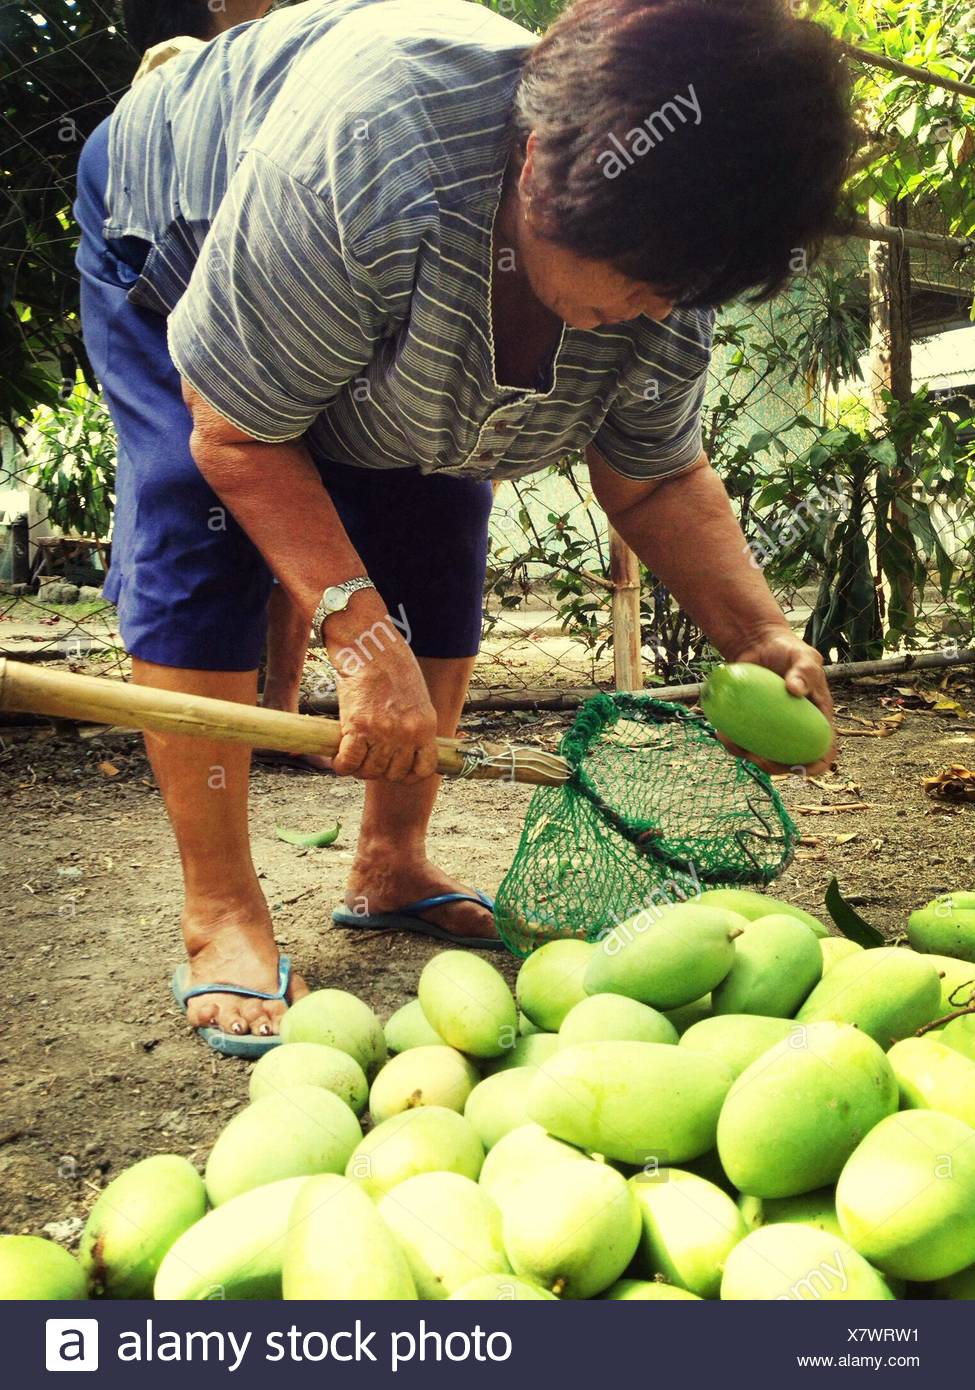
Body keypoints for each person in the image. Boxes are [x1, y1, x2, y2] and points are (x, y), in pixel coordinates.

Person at [75, 0, 853, 1053]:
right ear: (534, 167)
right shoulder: (365, 161)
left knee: (441, 506)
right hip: (180, 229)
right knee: (202, 522)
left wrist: (757, 632)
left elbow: (656, 476)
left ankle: (391, 865)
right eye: (638, 281)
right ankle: (220, 910)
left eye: (683, 291)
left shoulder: (672, 252)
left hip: (382, 277)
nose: (659, 311)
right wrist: (353, 628)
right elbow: (239, 434)